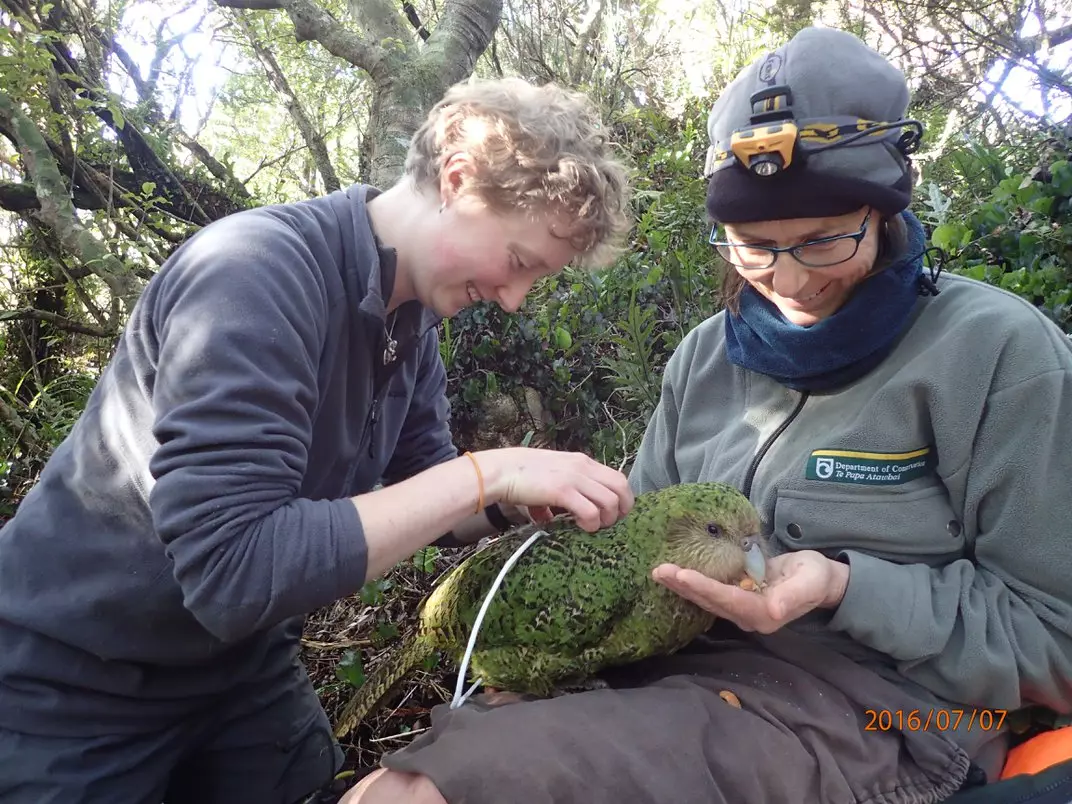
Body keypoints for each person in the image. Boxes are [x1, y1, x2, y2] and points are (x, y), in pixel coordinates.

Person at [345, 26, 1072, 804]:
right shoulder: (706, 357)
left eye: (824, 240)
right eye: (752, 245)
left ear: (886, 208)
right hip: (680, 676)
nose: (788, 278)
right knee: (398, 786)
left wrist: (842, 586)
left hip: (884, 714)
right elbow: (638, 553)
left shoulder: (997, 354)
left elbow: (1054, 642)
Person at [0, 78, 636, 803]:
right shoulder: (252, 274)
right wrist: (490, 472)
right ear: (458, 180)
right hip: (76, 683)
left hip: (242, 670)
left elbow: (426, 482)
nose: (515, 297)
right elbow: (233, 571)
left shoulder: (412, 321)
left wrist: (515, 499)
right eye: (519, 263)